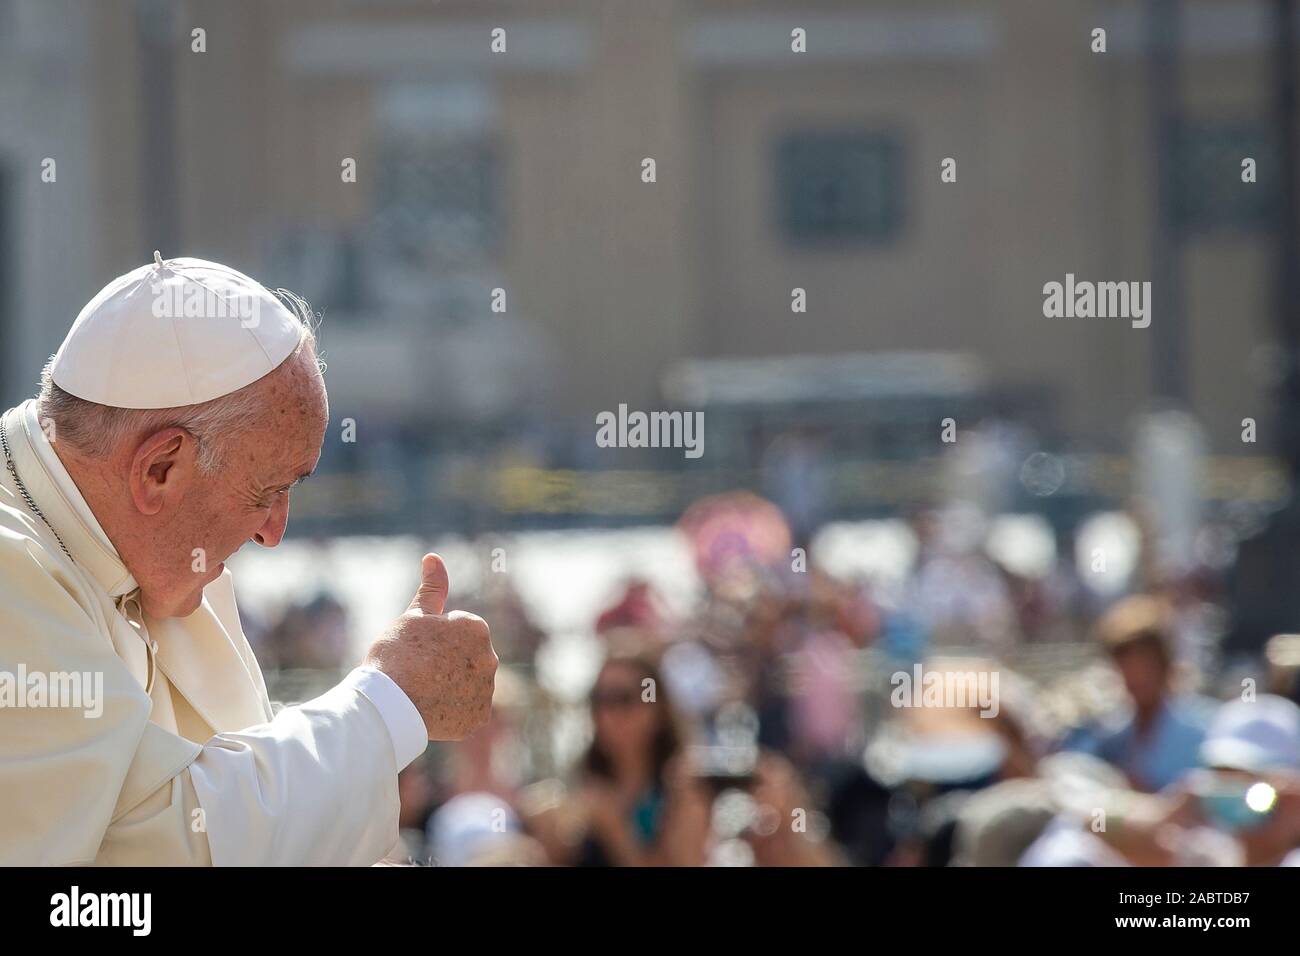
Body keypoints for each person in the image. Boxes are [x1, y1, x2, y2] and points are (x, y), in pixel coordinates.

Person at [0, 256, 497, 865]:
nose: (273, 533)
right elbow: (148, 847)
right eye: (266, 492)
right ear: (159, 469)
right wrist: (388, 706)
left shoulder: (137, 550)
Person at [1065, 595, 1213, 792]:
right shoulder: (1106, 734)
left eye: (1146, 668)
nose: (1138, 679)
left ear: (1165, 665)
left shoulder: (1205, 730)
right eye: (1127, 669)